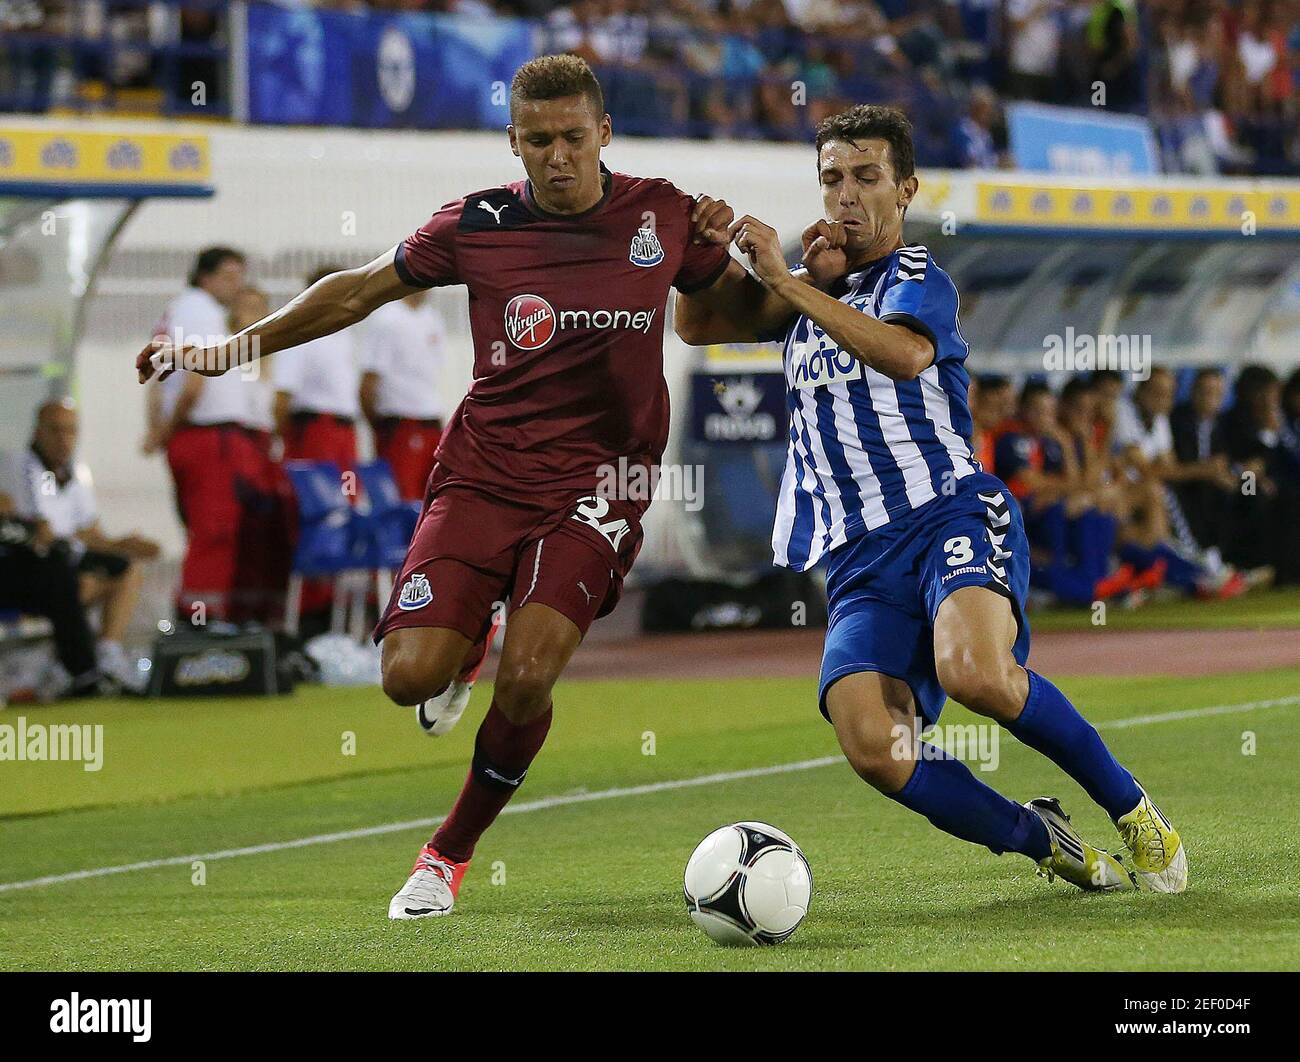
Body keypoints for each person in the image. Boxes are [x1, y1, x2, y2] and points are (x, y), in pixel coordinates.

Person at [137, 54, 737, 920]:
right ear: (514, 142)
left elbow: (739, 315)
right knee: (405, 679)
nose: (558, 157)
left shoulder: (667, 213)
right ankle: (458, 646)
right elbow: (352, 295)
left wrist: (773, 265)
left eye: (574, 137)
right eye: (539, 141)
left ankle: (443, 857)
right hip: (485, 472)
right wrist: (222, 352)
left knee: (529, 679)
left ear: (604, 133)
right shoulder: (477, 224)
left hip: (602, 483)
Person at [674, 103, 1186, 895]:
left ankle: (1132, 807)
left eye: (866, 177)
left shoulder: (917, 278)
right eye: (832, 178)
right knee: (875, 746)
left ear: (905, 188)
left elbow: (907, 356)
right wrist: (700, 251)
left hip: (947, 510)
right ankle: (1037, 836)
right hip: (856, 556)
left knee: (977, 672)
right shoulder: (807, 288)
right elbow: (698, 323)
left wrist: (790, 283)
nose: (846, 195)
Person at [1, 399, 159, 690]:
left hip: (66, 563)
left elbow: (89, 532)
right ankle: (79, 668)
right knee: (70, 577)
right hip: (30, 570)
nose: (64, 439)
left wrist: (123, 544)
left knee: (127, 568)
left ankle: (108, 652)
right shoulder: (16, 466)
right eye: (56, 431)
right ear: (38, 432)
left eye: (71, 431)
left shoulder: (77, 474)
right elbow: (37, 533)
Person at [143, 246, 266, 621]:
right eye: (229, 277)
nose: (237, 286)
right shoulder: (200, 310)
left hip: (195, 435)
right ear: (204, 277)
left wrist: (160, 429)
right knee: (215, 532)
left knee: (208, 531)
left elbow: (156, 380)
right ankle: (199, 622)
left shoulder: (180, 309)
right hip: (209, 436)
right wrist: (169, 427)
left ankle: (201, 617)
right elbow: (195, 379)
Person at [360, 290, 452, 501]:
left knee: (432, 499)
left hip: (432, 423)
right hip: (401, 425)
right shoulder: (387, 320)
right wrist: (382, 428)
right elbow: (368, 383)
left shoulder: (434, 319)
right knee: (403, 500)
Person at [273, 265, 363, 476]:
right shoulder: (301, 335)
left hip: (345, 430)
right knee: (318, 501)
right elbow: (283, 394)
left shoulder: (345, 336)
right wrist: (278, 439)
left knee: (347, 500)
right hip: (314, 431)